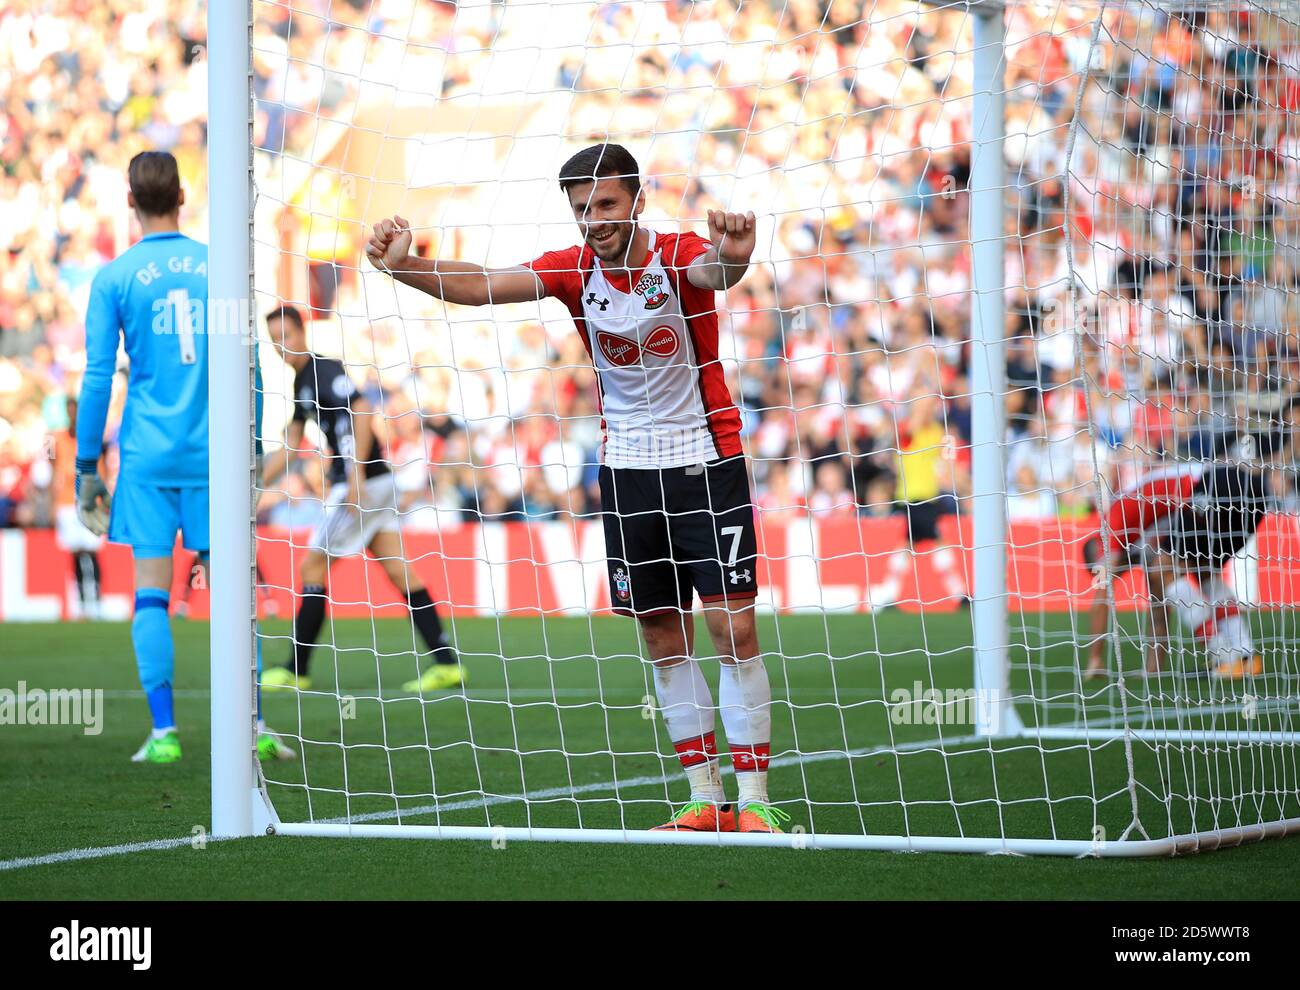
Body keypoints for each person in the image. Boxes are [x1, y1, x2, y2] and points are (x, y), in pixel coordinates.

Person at [364, 142, 787, 834]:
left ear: (638, 200)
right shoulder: (572, 270)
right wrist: (404, 265)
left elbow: (716, 268)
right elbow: (481, 285)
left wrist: (737, 254)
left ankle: (757, 799)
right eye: (583, 208)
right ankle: (705, 798)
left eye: (608, 204)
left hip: (707, 463)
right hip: (625, 473)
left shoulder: (676, 254)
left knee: (731, 626)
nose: (595, 219)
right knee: (660, 633)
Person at [76, 151, 293, 763]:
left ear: (130, 202)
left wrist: (86, 468)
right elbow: (247, 363)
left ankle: (165, 733)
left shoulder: (114, 278)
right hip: (214, 459)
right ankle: (253, 727)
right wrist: (250, 454)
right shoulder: (216, 268)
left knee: (151, 592)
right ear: (182, 197)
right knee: (230, 594)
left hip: (146, 457)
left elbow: (97, 378)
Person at [261, 305, 463, 693]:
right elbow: (291, 443)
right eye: (274, 340)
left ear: (303, 333)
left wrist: (353, 473)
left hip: (361, 483)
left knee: (312, 568)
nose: (280, 346)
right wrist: (256, 484)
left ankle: (295, 670)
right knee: (398, 569)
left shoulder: (324, 370)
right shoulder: (301, 381)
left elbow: (364, 406)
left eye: (286, 336)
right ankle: (447, 663)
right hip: (376, 481)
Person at [1083, 461, 1268, 680]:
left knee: (1165, 570)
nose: (1118, 575)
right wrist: (1153, 669)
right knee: (1203, 571)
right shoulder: (1145, 541)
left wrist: (1095, 658)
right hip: (1253, 493)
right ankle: (1245, 656)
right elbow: (1158, 603)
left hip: (1213, 486)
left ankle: (1224, 655)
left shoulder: (1113, 523)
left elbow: (1102, 596)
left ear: (1099, 553)